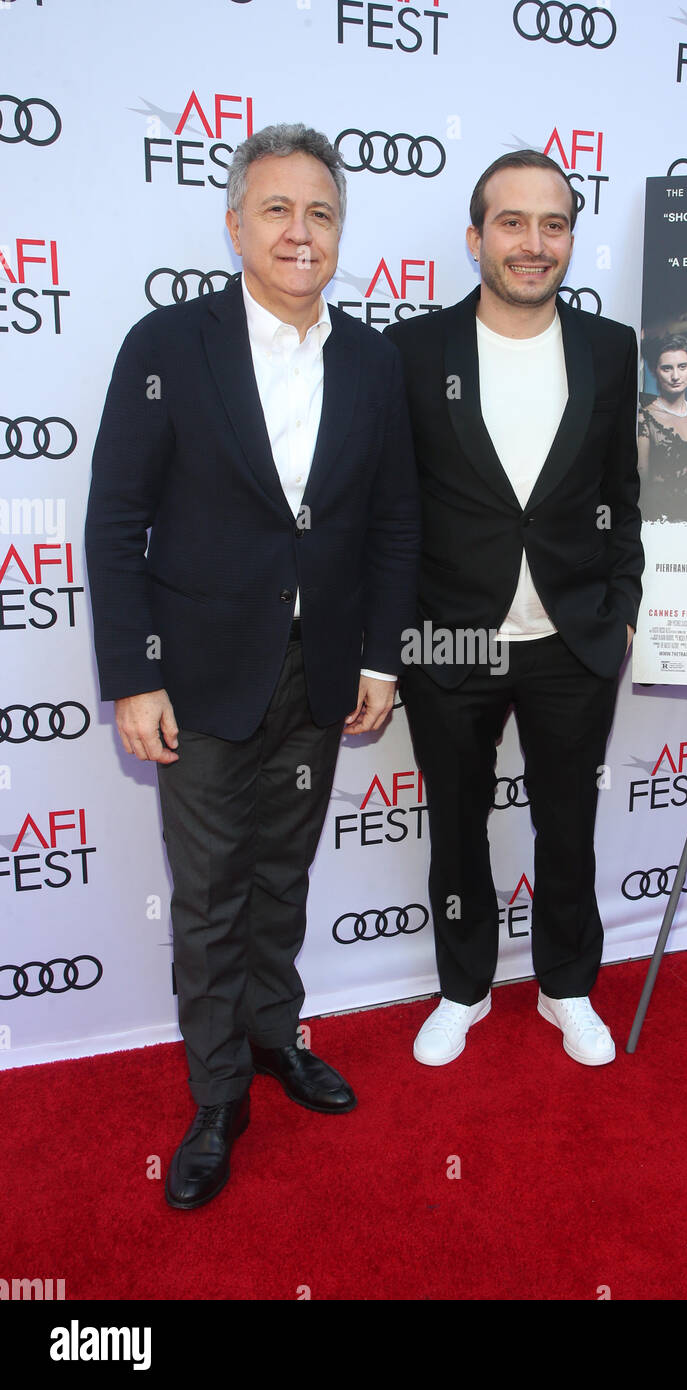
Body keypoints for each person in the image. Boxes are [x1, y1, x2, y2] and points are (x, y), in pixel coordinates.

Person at [85, 124, 420, 1209]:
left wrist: (380, 655)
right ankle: (217, 1093)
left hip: (319, 672)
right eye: (276, 209)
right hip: (198, 679)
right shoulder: (167, 346)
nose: (298, 230)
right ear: (234, 223)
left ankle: (276, 1038)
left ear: (340, 234)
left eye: (319, 212)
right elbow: (116, 519)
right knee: (212, 892)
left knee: (284, 874)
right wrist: (135, 676)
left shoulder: (373, 360)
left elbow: (392, 524)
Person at [385, 151, 642, 1069]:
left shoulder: (611, 349)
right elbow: (389, 507)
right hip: (448, 636)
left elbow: (622, 490)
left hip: (573, 634)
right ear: (475, 237)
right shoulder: (413, 352)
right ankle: (463, 987)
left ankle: (567, 985)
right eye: (512, 223)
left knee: (567, 823)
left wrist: (621, 608)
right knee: (456, 825)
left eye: (554, 224)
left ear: (571, 236)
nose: (534, 244)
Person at [637, 333, 687, 519]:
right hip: (663, 518)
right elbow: (641, 485)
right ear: (654, 371)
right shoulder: (645, 418)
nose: (675, 376)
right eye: (667, 368)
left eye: (682, 367)